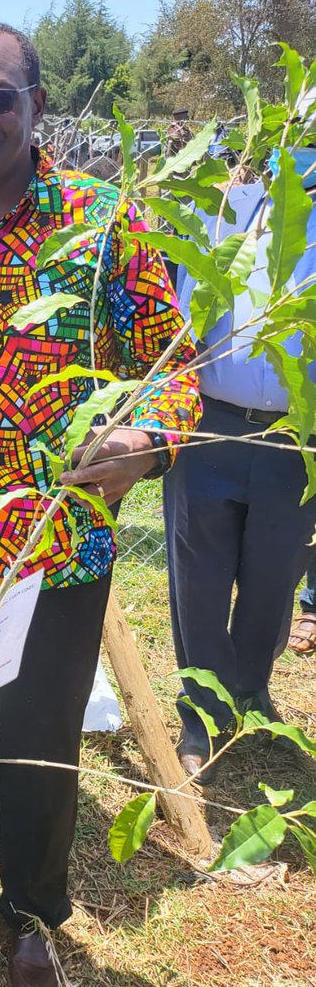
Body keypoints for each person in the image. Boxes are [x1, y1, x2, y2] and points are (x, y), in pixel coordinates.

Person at [0, 22, 200, 987]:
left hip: (51, 547)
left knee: (37, 737)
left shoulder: (102, 226)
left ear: (35, 107)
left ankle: (30, 908)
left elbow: (173, 362)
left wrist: (145, 440)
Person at [168, 152, 316, 766]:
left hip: (296, 436)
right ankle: (203, 713)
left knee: (274, 575)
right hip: (210, 426)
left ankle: (251, 688)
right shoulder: (225, 213)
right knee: (198, 576)